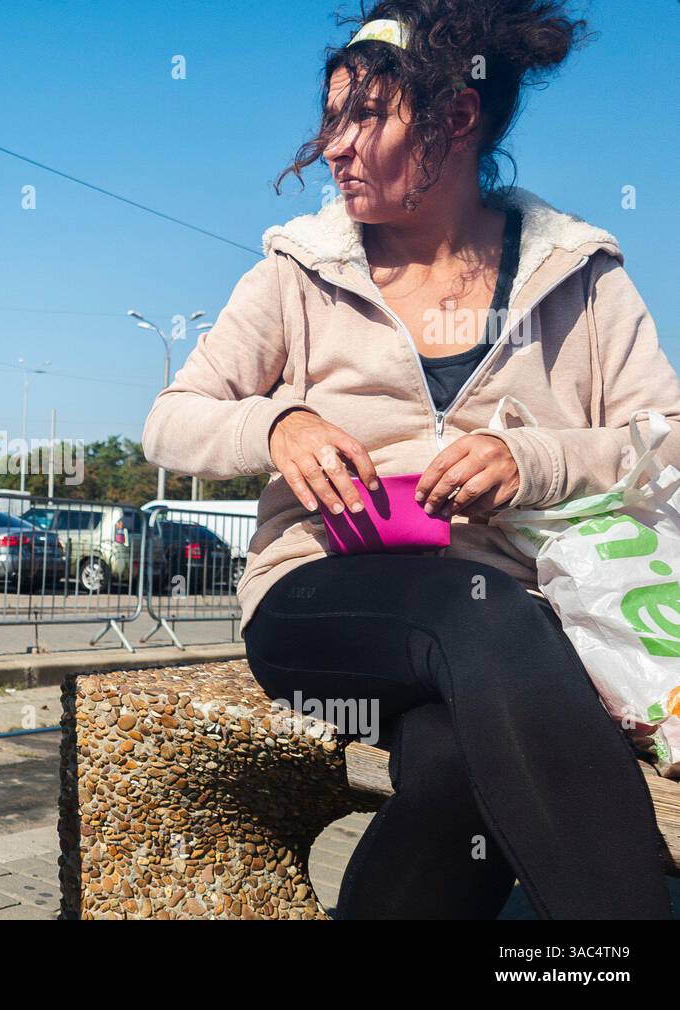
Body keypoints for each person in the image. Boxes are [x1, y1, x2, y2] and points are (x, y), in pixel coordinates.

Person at [142, 1, 680, 920]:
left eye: (363, 117)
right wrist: (277, 427)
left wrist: (533, 459)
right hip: (325, 601)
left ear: (456, 121)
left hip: (517, 626)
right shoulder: (297, 270)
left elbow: (661, 441)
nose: (333, 148)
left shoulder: (581, 275)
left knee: (452, 763)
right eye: (329, 118)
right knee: (482, 621)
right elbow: (170, 421)